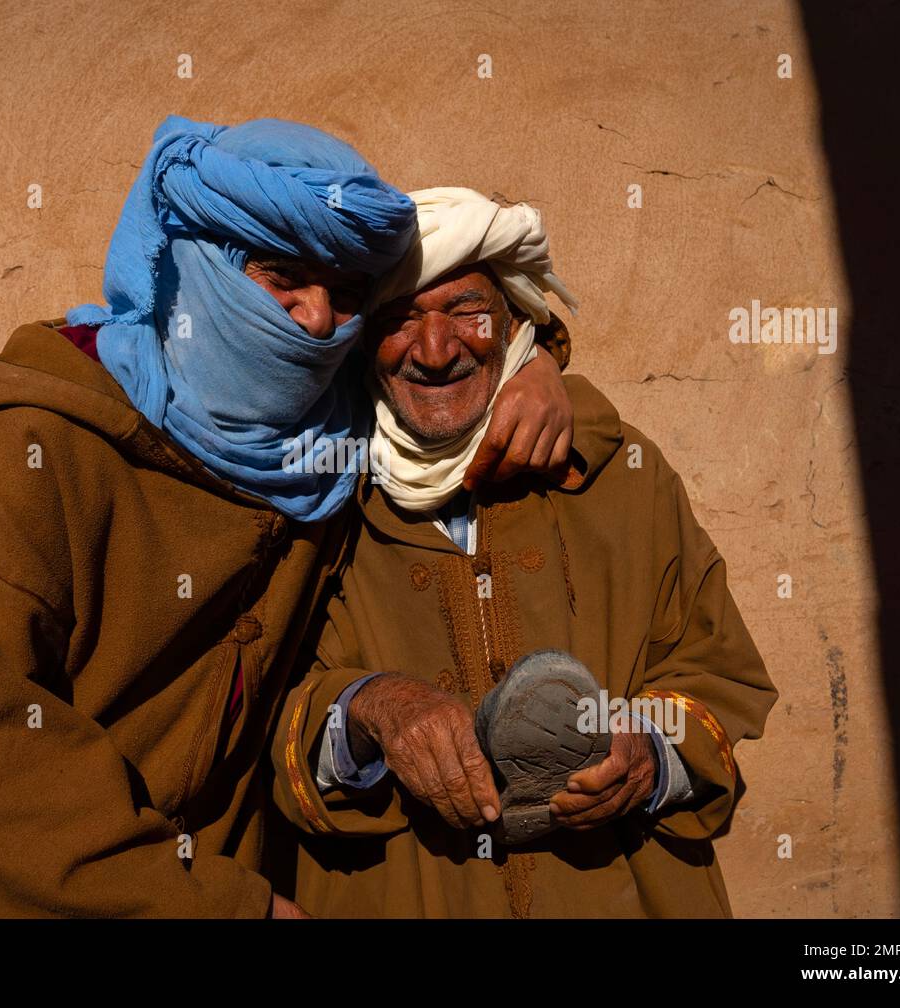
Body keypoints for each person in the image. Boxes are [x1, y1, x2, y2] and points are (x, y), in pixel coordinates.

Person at [0, 122, 573, 918]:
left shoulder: (322, 455)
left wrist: (539, 364)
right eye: (282, 276)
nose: (312, 320)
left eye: (344, 297)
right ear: (200, 265)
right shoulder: (34, 449)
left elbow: (452, 396)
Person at [270, 188, 777, 917]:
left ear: (515, 326)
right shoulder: (317, 498)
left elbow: (718, 674)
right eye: (399, 320)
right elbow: (260, 712)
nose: (436, 350)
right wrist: (370, 710)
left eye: (468, 311)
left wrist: (647, 752)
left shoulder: (619, 476)